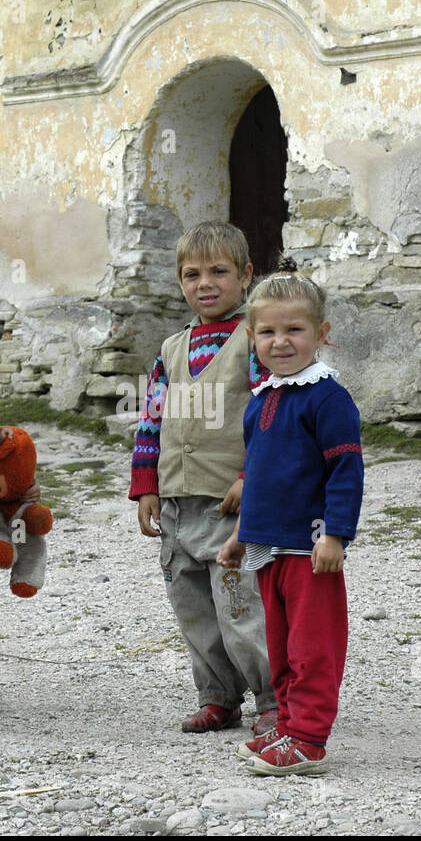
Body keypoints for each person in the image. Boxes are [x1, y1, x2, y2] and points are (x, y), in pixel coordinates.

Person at [130, 221, 277, 735]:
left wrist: (250, 476)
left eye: (219, 271)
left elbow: (269, 416)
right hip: (176, 506)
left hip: (230, 506)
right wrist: (146, 485)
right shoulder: (171, 349)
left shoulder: (255, 341)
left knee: (241, 609)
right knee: (193, 610)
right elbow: (151, 419)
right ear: (179, 280)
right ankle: (217, 696)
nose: (205, 284)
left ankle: (274, 702)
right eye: (192, 274)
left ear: (246, 275)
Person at [218, 265, 364, 776]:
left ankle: (309, 739)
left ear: (321, 335)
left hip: (310, 549)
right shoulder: (261, 401)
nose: (280, 342)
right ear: (251, 335)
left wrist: (336, 534)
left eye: (294, 330)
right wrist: (241, 535)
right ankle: (287, 721)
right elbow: (256, 476)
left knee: (312, 646)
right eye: (268, 331)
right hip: (267, 547)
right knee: (278, 644)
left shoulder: (328, 398)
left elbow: (345, 470)